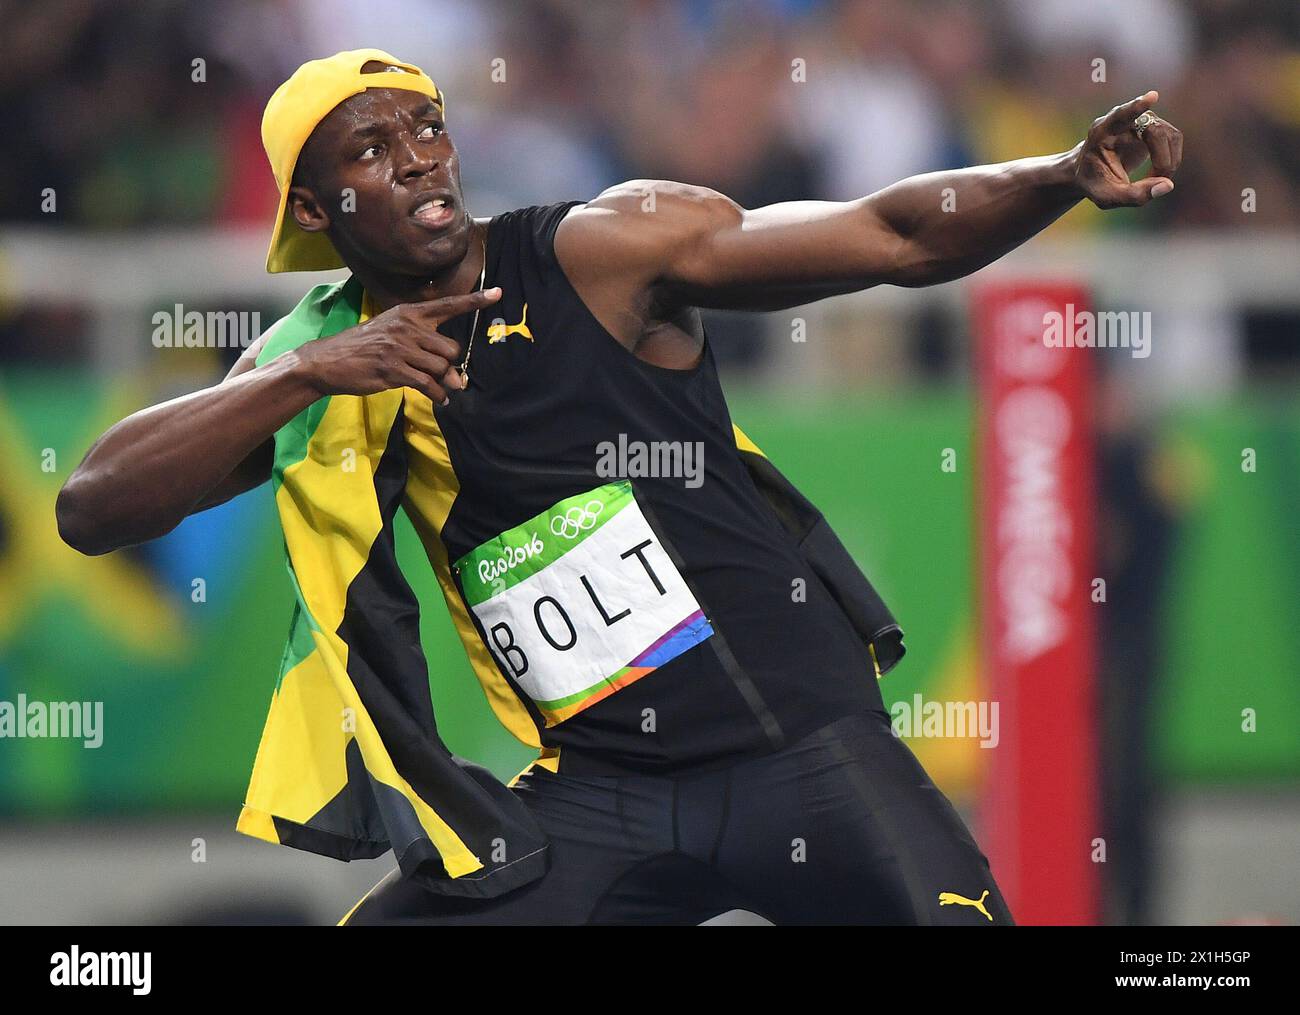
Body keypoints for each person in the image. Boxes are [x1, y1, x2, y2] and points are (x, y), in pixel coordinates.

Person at [56, 49, 1182, 925]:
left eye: (427, 127)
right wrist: (301, 374)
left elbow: (889, 236)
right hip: (603, 789)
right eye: (366, 149)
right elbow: (94, 506)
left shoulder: (604, 251)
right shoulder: (325, 356)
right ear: (311, 210)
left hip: (805, 756)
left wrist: (1056, 177)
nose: (415, 157)